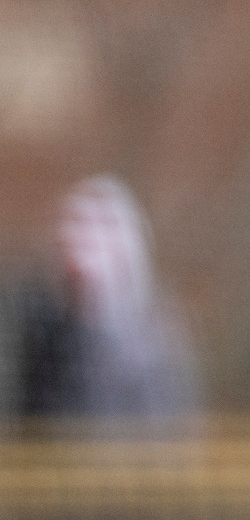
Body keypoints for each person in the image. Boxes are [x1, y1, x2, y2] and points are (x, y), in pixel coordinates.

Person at [9, 175, 199, 423]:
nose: (81, 236)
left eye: (101, 224)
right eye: (75, 223)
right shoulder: (36, 321)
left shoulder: (154, 333)